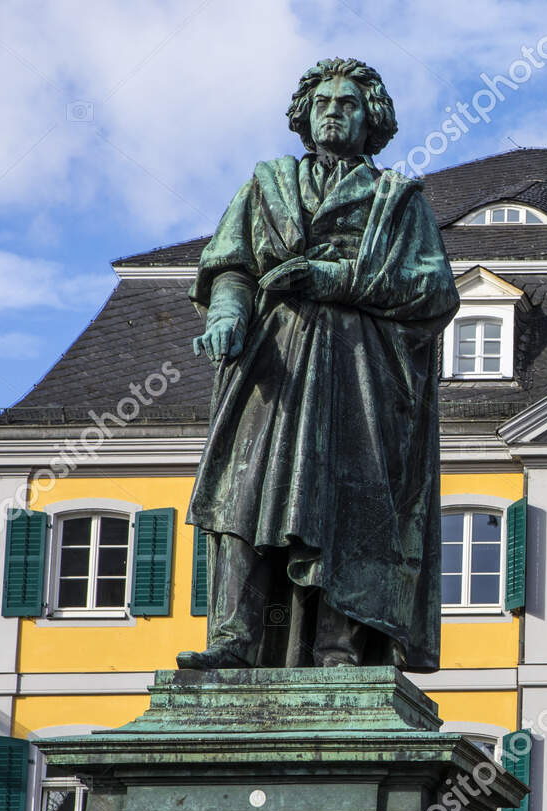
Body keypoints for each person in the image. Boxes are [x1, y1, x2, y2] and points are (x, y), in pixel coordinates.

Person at [180, 58, 458, 671]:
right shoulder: (267, 185)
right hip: (271, 364)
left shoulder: (397, 199)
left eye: (349, 103)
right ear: (304, 115)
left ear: (372, 120)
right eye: (324, 101)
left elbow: (434, 289)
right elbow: (231, 266)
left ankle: (341, 649)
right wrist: (226, 314)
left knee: (352, 504)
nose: (334, 110)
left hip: (364, 374)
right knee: (242, 493)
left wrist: (329, 276)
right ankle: (234, 637)